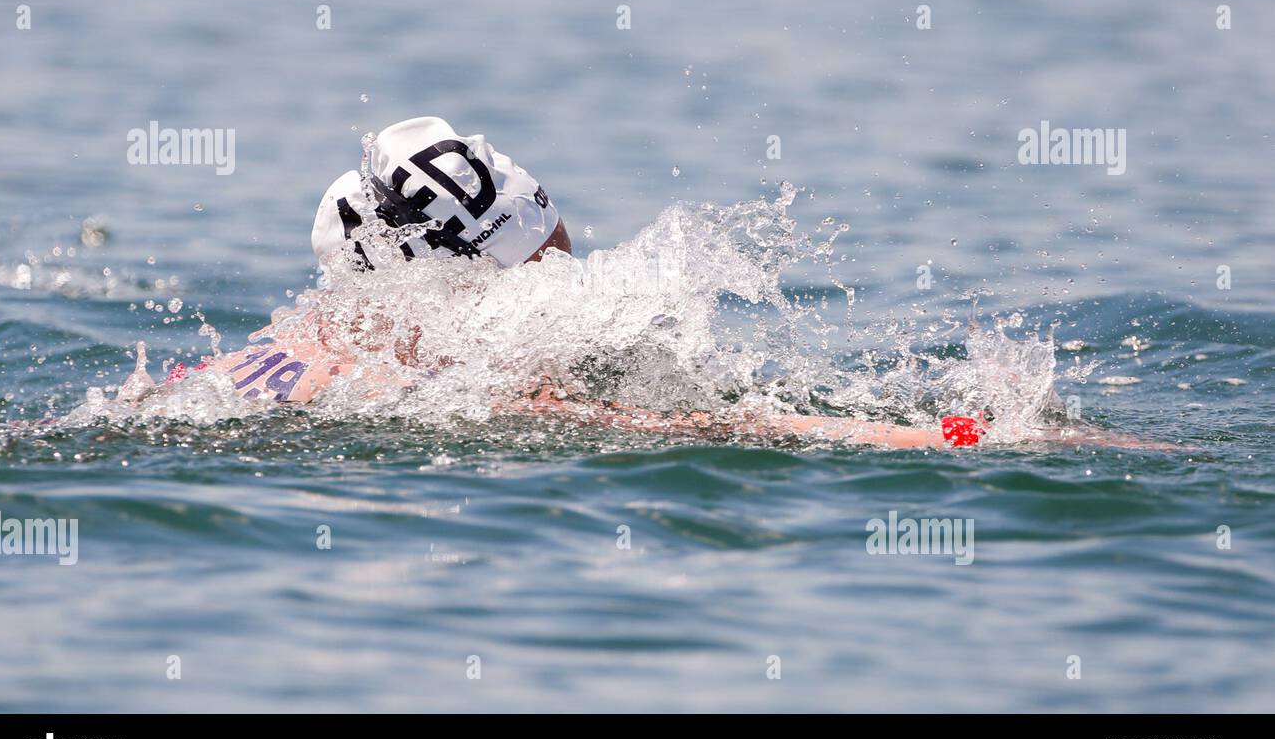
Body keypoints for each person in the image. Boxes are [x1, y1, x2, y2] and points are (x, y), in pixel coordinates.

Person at [159, 116, 983, 448]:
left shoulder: (276, 351)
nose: (563, 274)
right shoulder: (436, 391)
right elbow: (713, 430)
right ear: (472, 286)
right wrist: (960, 438)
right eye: (542, 262)